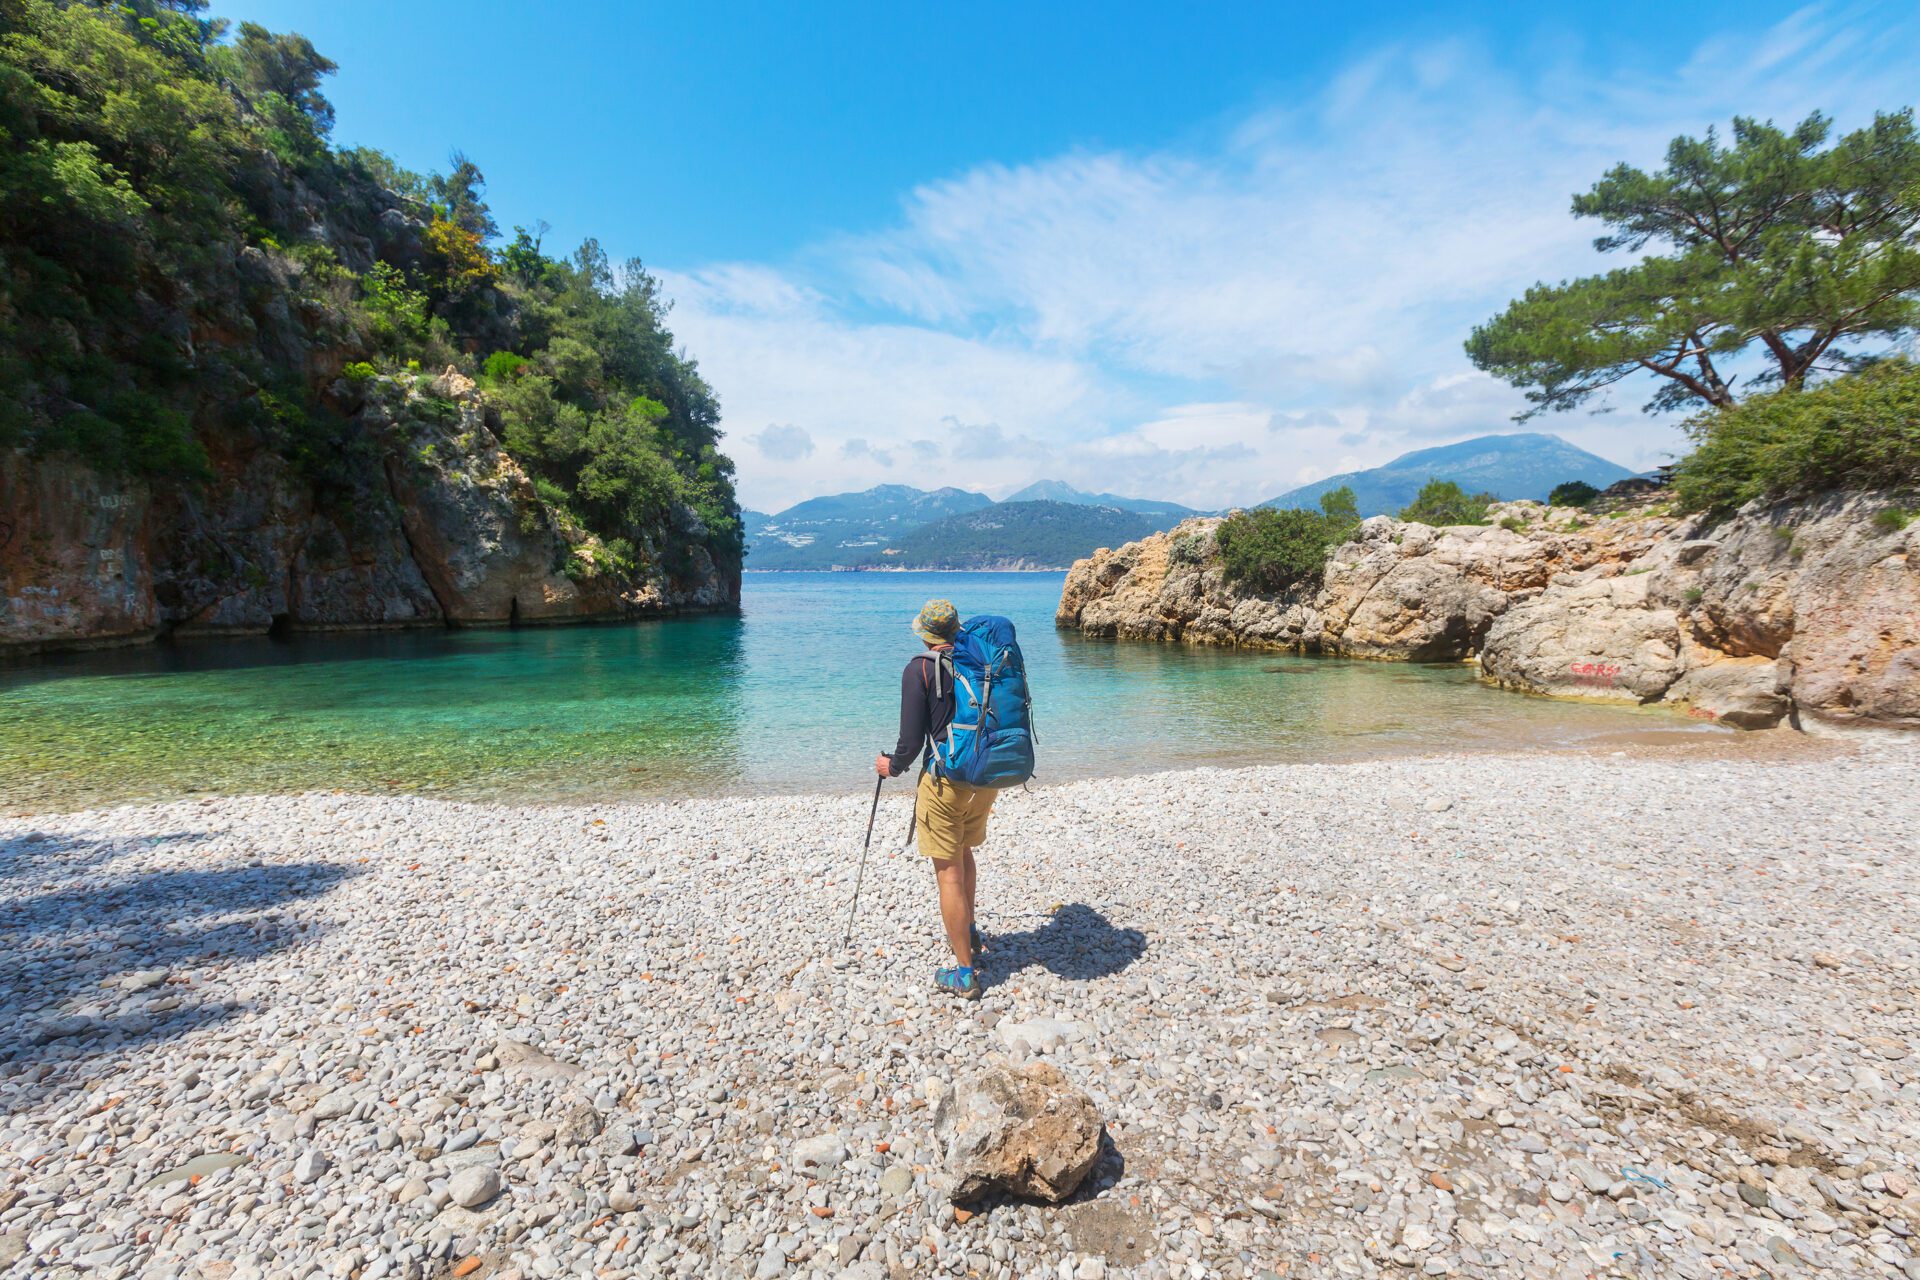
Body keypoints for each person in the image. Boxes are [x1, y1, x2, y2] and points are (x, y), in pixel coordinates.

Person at [875, 598, 993, 1001]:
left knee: (948, 873)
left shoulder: (920, 669)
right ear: (957, 629)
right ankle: (970, 930)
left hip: (946, 782)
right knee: (964, 852)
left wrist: (890, 766)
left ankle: (964, 972)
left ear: (925, 632)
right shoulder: (980, 661)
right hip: (984, 777)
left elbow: (909, 742)